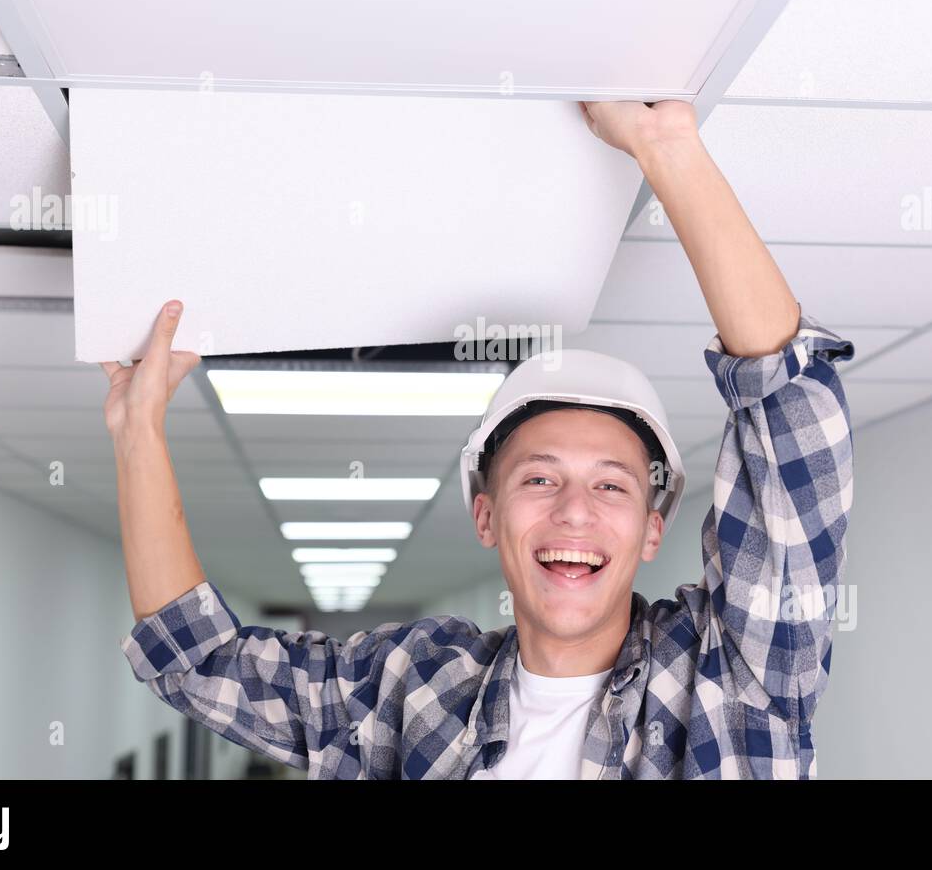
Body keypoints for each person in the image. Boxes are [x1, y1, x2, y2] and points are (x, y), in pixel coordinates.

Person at [104, 99, 855, 779]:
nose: (574, 511)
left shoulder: (732, 681)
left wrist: (668, 150)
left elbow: (792, 417)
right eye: (539, 478)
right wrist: (138, 431)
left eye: (612, 484)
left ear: (652, 527)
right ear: (486, 513)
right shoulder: (413, 688)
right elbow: (198, 659)